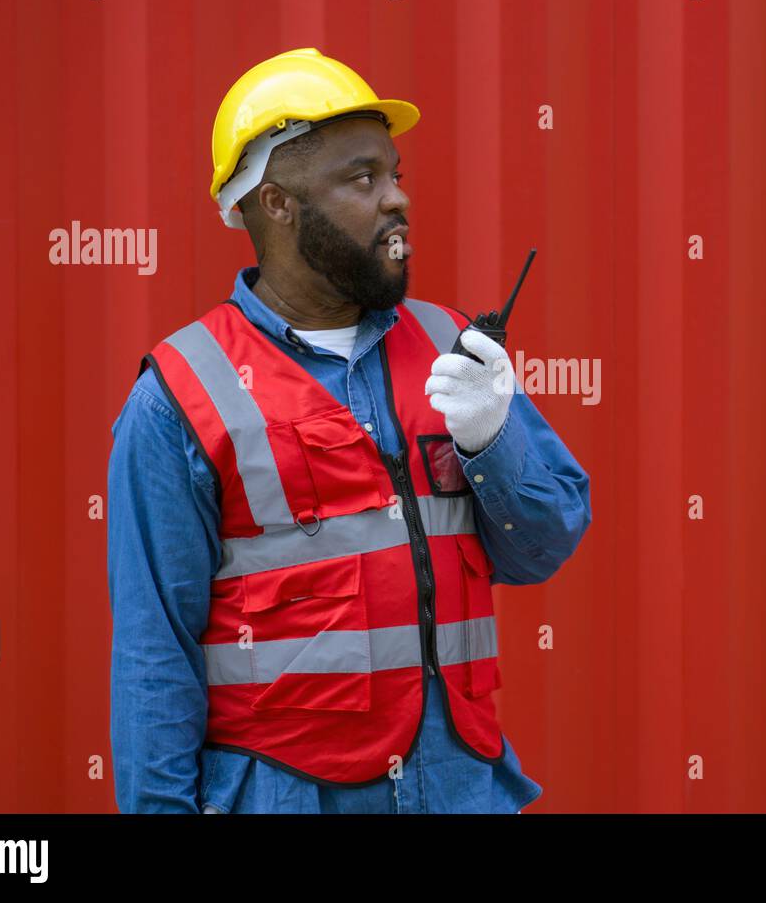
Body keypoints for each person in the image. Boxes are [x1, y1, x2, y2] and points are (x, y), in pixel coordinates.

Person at [106, 48, 591, 813]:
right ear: (277, 204)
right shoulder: (179, 398)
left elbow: (545, 546)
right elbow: (152, 653)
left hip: (461, 789)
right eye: (363, 179)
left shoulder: (453, 352)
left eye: (395, 175)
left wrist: (493, 441)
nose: (397, 200)